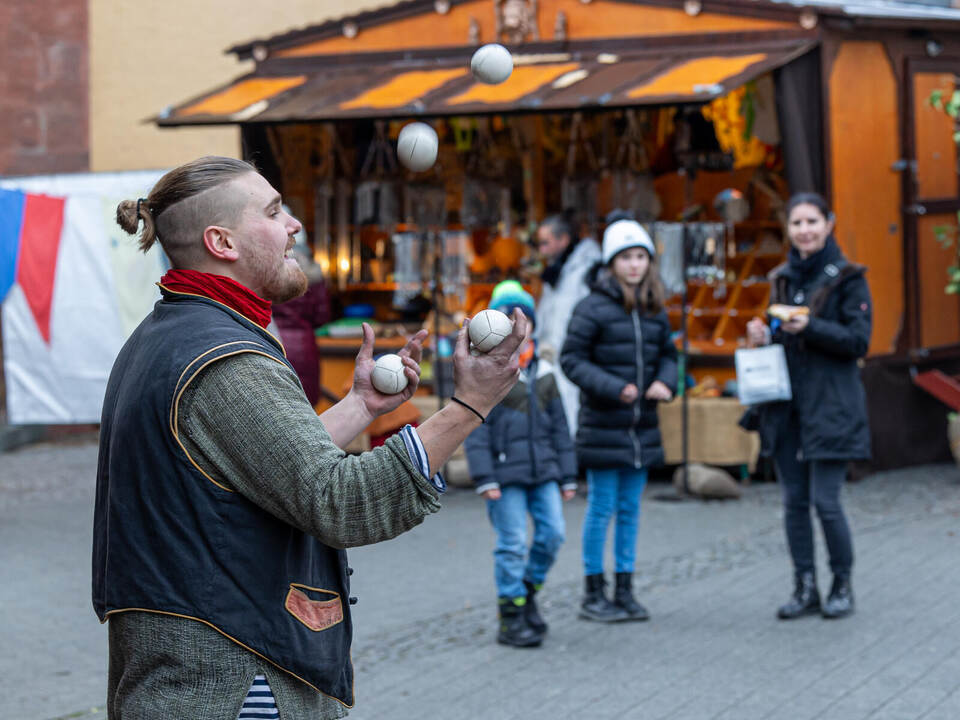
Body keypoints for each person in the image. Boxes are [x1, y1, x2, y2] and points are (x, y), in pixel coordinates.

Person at [94, 156, 529, 720]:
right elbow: (340, 502)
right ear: (222, 241)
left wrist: (359, 407)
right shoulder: (226, 360)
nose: (295, 224)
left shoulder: (170, 333)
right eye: (275, 211)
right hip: (234, 685)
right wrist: (471, 405)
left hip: (200, 679)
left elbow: (265, 469)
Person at [745, 192, 871, 621]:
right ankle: (804, 586)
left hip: (832, 405)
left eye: (812, 222)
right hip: (787, 406)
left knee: (826, 501)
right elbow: (781, 338)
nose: (805, 230)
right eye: (797, 223)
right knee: (794, 500)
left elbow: (858, 341)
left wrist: (810, 326)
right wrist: (765, 336)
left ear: (828, 223)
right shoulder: (781, 277)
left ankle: (841, 584)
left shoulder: (849, 278)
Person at [561, 219, 677, 623]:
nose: (634, 265)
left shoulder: (654, 308)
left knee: (630, 509)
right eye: (626, 257)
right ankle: (594, 593)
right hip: (604, 426)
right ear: (612, 263)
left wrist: (665, 381)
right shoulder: (591, 306)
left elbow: (669, 355)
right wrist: (614, 387)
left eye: (641, 256)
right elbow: (571, 359)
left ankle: (625, 589)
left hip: (641, 428)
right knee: (602, 508)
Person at [463, 281, 577, 648]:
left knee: (553, 534)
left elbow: (560, 427)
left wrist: (568, 473)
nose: (518, 328)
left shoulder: (544, 372)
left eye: (523, 320)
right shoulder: (488, 373)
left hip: (544, 472)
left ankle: (527, 591)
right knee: (511, 543)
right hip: (504, 476)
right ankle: (511, 615)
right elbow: (475, 427)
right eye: (509, 320)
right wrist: (484, 476)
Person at [534, 213, 601, 437]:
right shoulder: (556, 272)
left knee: (574, 406)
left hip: (576, 353)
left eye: (546, 242)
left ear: (563, 239)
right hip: (554, 354)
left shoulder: (588, 270)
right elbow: (548, 314)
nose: (542, 250)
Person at [271, 243, 331, 407]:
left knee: (280, 401)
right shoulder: (314, 278)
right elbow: (322, 317)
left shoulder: (268, 274)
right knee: (307, 400)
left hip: (273, 340)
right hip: (305, 346)